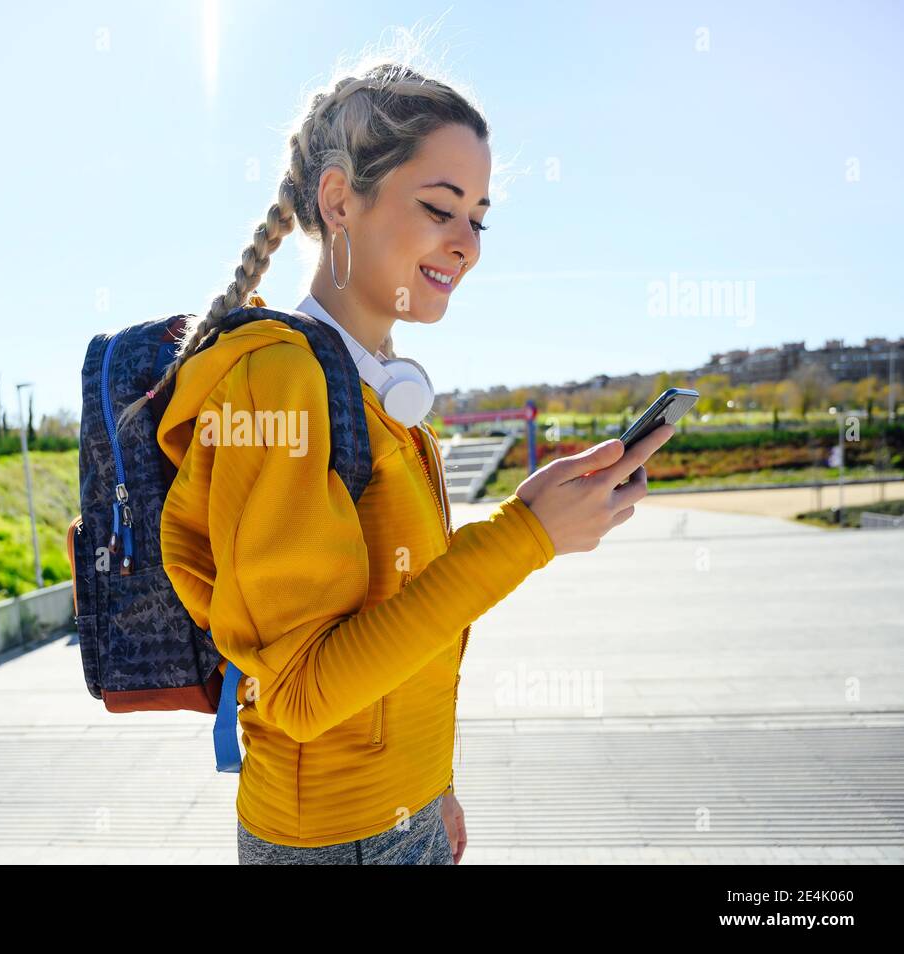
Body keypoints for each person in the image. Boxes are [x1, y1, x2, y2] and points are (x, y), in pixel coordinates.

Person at [114, 56, 675, 865]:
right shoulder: (275, 383)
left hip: (399, 819)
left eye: (480, 218)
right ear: (340, 199)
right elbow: (304, 693)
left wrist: (433, 784)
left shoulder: (370, 388)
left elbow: (395, 632)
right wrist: (527, 535)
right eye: (442, 208)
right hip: (336, 842)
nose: (467, 245)